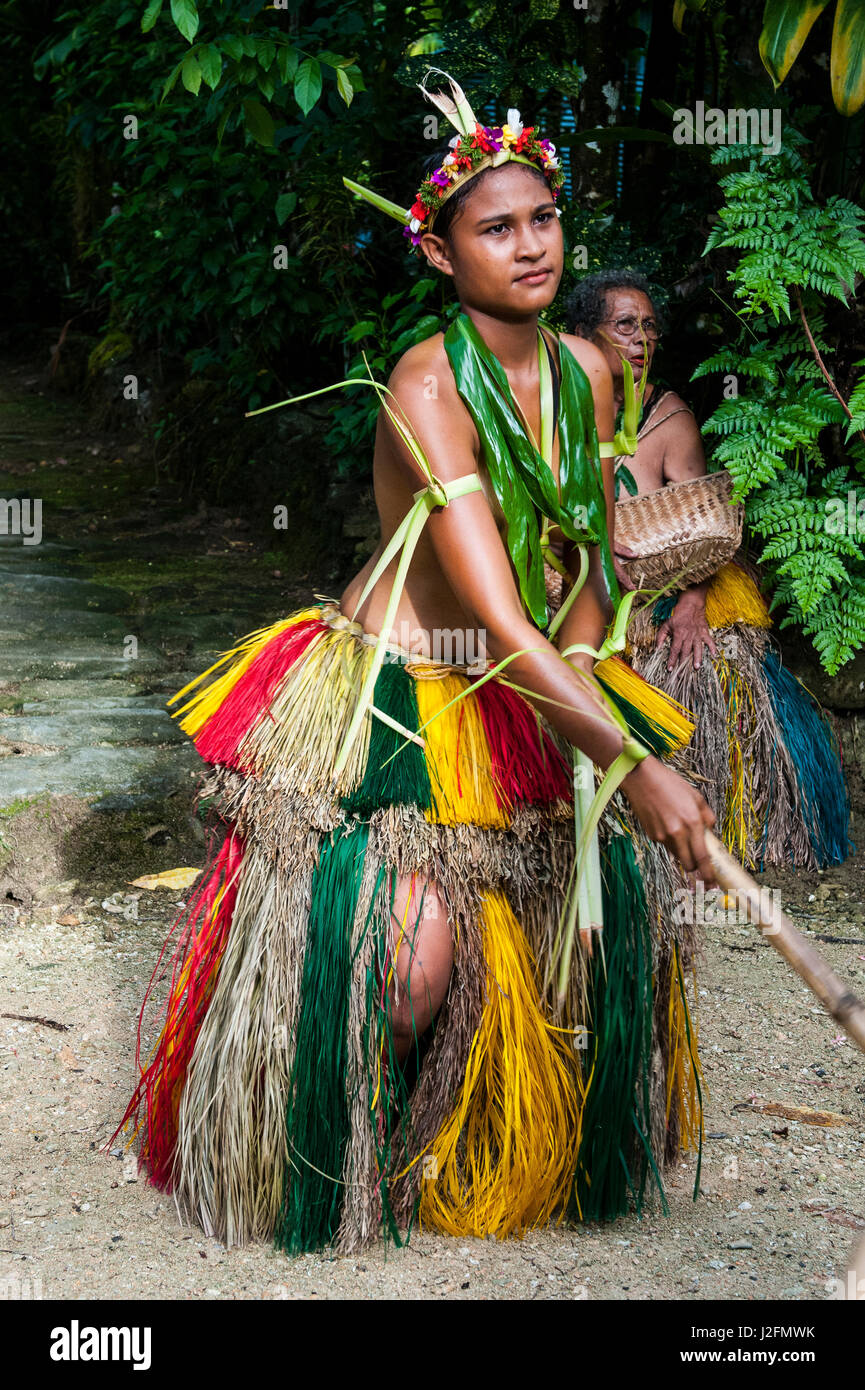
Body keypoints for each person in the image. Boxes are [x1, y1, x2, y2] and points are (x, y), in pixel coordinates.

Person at [109, 78, 716, 1256]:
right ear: (439, 254)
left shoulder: (591, 373)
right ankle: (339, 1144)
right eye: (496, 228)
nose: (530, 244)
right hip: (403, 694)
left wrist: (592, 665)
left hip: (536, 671)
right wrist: (628, 759)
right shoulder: (425, 385)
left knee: (595, 925)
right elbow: (491, 614)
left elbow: (591, 556)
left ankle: (495, 1138)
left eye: (541, 218)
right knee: (407, 963)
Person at [566, 269, 851, 870]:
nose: (642, 338)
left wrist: (693, 602)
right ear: (581, 336)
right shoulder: (555, 414)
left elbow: (706, 525)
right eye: (624, 325)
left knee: (709, 668)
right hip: (579, 586)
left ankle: (731, 829)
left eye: (649, 327)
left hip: (669, 582)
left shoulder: (670, 418)